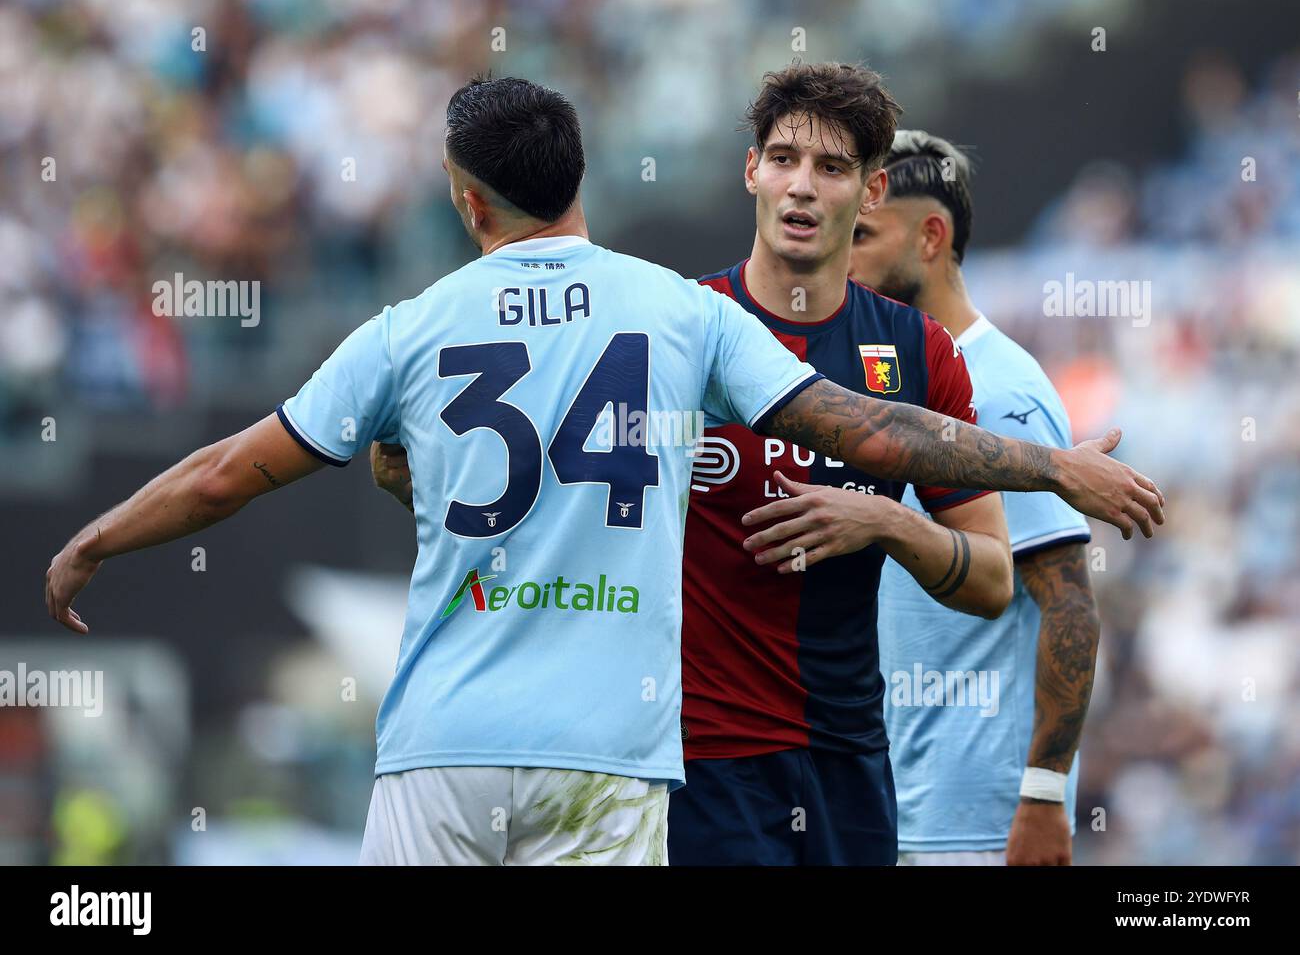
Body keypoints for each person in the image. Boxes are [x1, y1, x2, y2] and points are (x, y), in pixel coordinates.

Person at [47, 75, 1161, 868]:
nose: (803, 188)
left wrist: (97, 537)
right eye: (784, 158)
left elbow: (227, 473)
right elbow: (874, 433)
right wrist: (1054, 467)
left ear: (464, 197)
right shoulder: (679, 314)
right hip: (626, 761)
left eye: (831, 166)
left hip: (460, 747)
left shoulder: (414, 325)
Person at [856, 131, 1100, 866]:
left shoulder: (998, 390)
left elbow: (1070, 604)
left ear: (931, 236)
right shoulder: (891, 380)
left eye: (862, 235)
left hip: (980, 827)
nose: (842, 256)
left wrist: (1044, 795)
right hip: (907, 807)